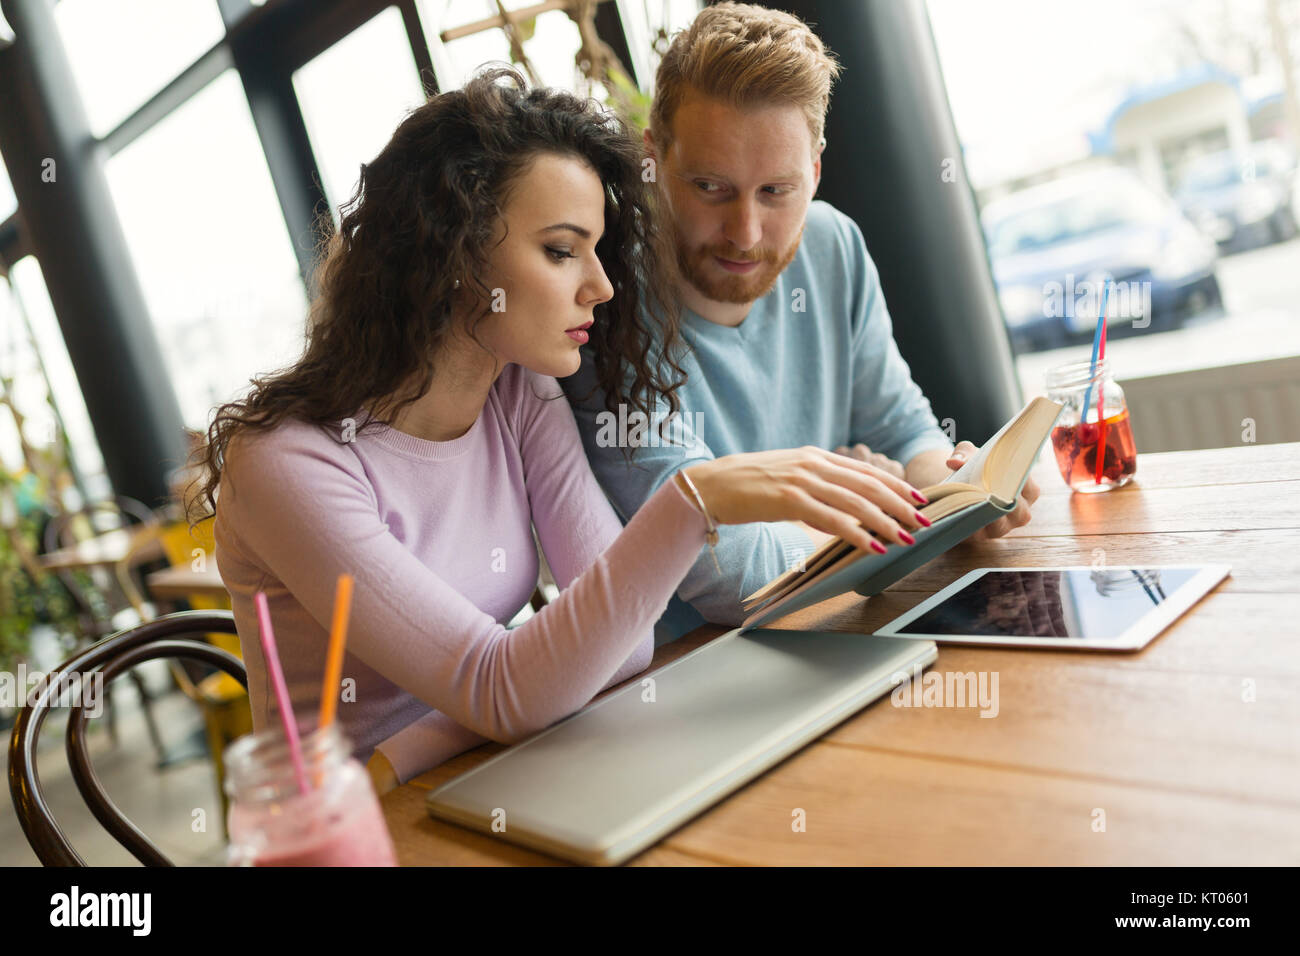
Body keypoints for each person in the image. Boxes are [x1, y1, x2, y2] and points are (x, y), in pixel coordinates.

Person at [188, 66, 931, 792]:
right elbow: (503, 688)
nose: (602, 286)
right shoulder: (287, 462)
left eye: (597, 250)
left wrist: (416, 744)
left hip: (488, 767)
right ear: (454, 250)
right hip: (356, 825)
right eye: (559, 250)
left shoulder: (519, 393)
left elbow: (625, 646)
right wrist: (695, 498)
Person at [563, 2, 1039, 639]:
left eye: (776, 191)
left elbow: (900, 428)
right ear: (653, 159)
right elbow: (726, 575)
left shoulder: (832, 245)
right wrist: (873, 505)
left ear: (814, 170)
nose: (745, 232)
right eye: (711, 187)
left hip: (852, 629)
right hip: (699, 673)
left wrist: (954, 493)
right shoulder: (602, 302)